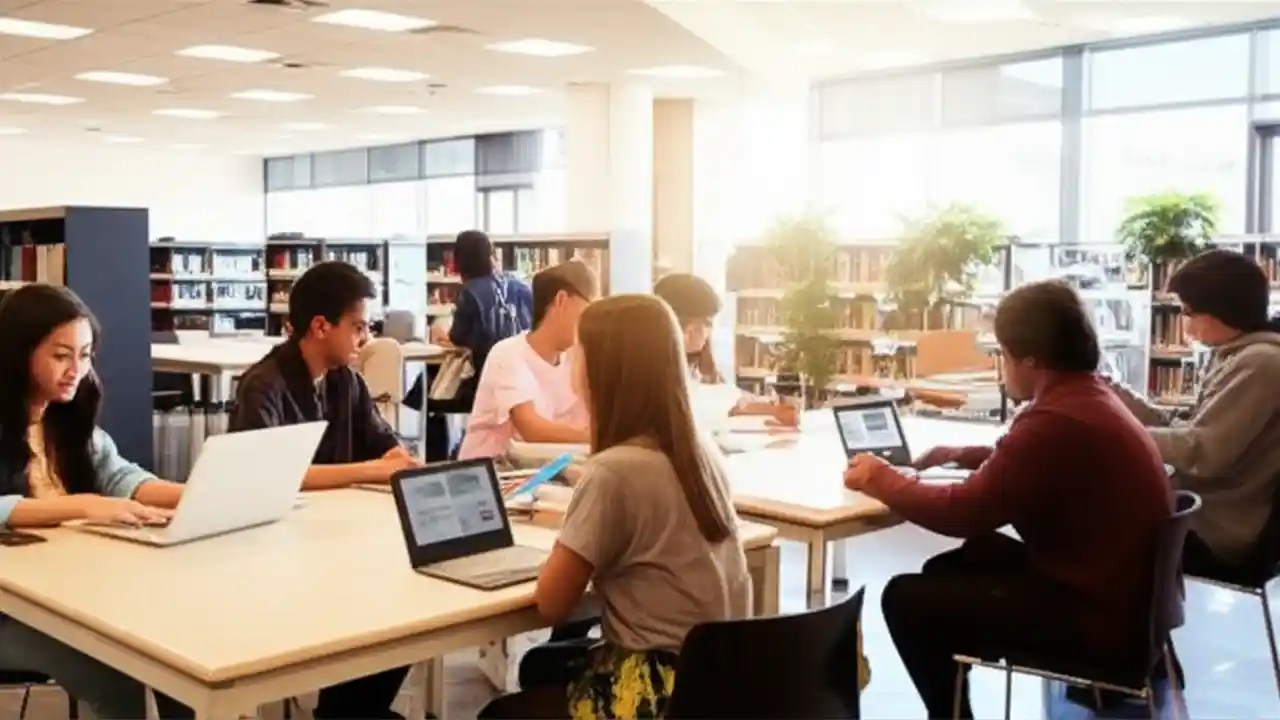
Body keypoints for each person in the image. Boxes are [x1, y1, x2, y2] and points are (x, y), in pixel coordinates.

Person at [844, 281, 1172, 719]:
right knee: (965, 562)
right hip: (1124, 604)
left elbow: (961, 513)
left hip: (1095, 623)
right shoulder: (1090, 398)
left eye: (1002, 355)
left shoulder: (1052, 421)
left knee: (906, 599)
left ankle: (951, 716)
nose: (1001, 367)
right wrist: (964, 454)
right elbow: (1039, 465)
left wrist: (880, 478)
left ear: (1030, 361)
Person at [479, 295, 752, 718]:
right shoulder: (700, 450)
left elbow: (552, 603)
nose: (572, 360)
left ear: (604, 368)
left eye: (579, 350)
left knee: (501, 714)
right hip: (717, 683)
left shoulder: (612, 473)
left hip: (652, 693)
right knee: (541, 665)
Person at [230, 261, 415, 719]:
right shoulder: (263, 387)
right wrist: (373, 470)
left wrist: (394, 458)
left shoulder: (346, 381)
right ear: (319, 326)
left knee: (407, 620)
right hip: (280, 551)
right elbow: (273, 476)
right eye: (357, 326)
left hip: (340, 541)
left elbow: (384, 447)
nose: (365, 337)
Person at [0, 284, 189, 720]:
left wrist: (200, 493)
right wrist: (83, 505)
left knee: (177, 656)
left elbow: (121, 477)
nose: (76, 370)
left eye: (85, 356)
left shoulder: (67, 417)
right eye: (61, 355)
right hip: (14, 610)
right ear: (17, 352)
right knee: (117, 679)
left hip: (78, 591)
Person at [1109, 249, 1280, 573]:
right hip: (1200, 505)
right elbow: (1184, 427)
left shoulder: (1261, 363)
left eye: (1188, 313)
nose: (1185, 328)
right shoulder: (1231, 354)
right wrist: (1119, 399)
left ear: (1223, 310)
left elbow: (1203, 451)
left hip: (1215, 524)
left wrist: (1116, 435)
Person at [456, 260, 597, 461]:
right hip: (495, 474)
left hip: (545, 470)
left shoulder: (576, 357)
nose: (593, 319)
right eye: (590, 307)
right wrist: (600, 438)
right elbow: (532, 429)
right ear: (562, 300)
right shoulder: (508, 354)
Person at [404, 229, 533, 415]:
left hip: (483, 380)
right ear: (491, 254)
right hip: (523, 376)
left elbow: (459, 338)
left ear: (460, 261)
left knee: (426, 386)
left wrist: (441, 335)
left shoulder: (470, 292)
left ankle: (427, 436)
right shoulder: (519, 286)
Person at [653, 273, 798, 426]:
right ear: (690, 330)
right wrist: (751, 405)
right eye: (708, 323)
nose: (709, 332)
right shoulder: (659, 371)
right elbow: (695, 405)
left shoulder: (687, 363)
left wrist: (761, 407)